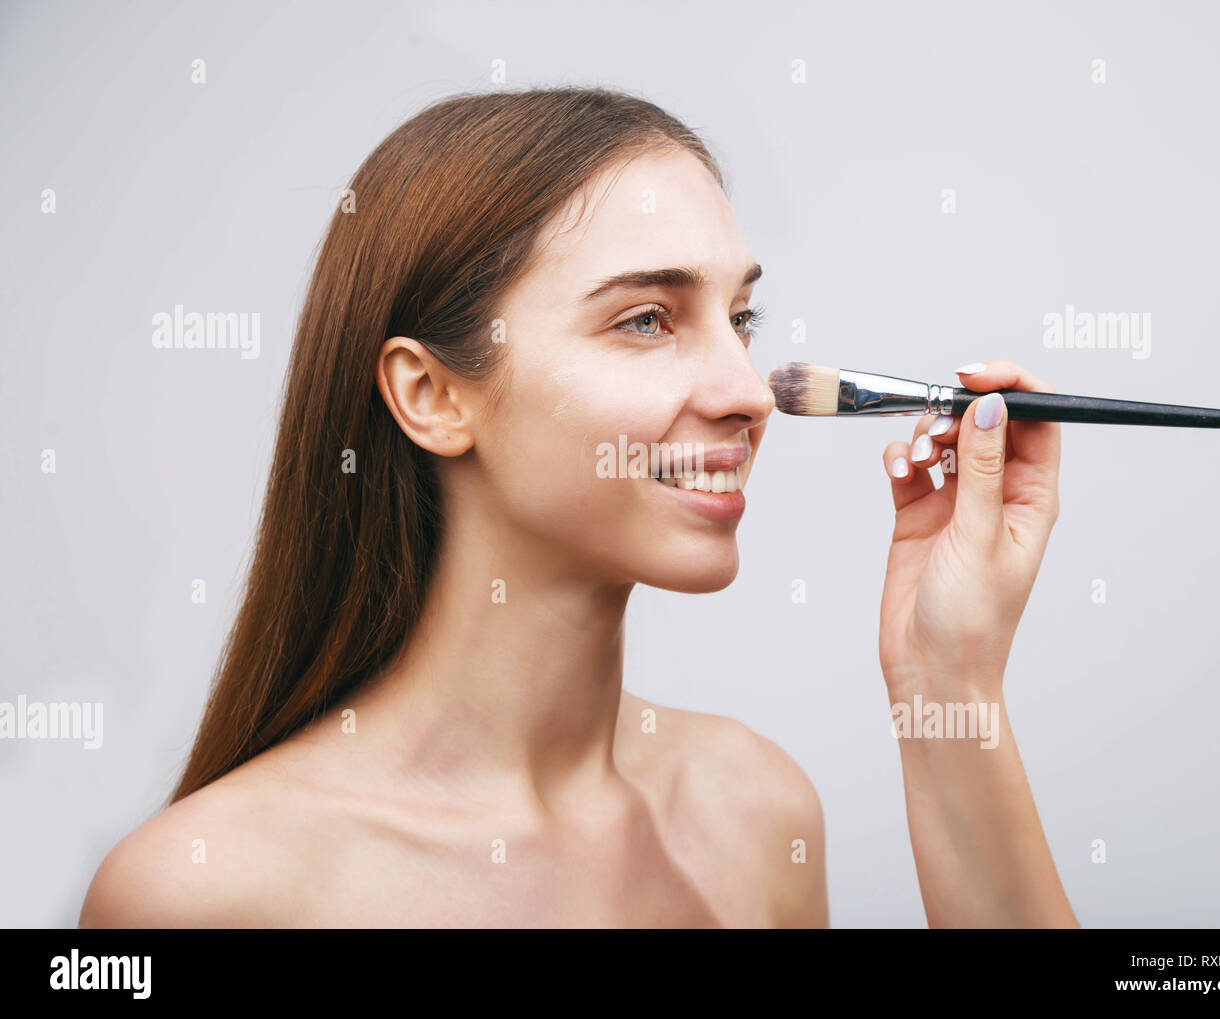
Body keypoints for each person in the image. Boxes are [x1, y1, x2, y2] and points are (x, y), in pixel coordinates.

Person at [79, 87, 1074, 928]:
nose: (745, 390)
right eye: (647, 319)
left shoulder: (756, 812)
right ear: (433, 395)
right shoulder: (209, 891)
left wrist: (948, 679)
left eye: (739, 320)